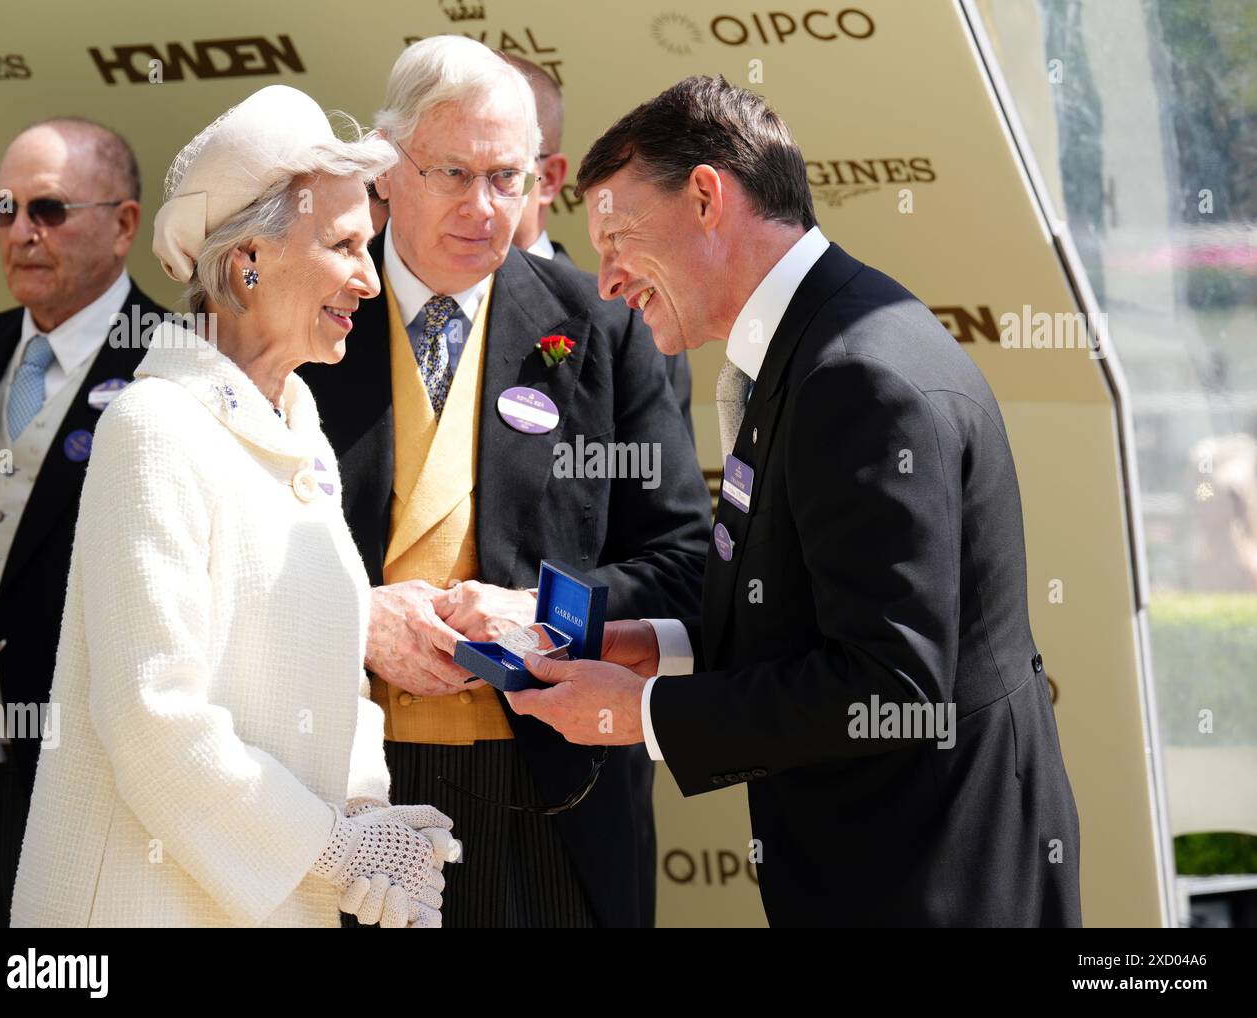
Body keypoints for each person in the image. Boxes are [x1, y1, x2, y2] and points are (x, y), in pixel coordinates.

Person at [508, 75, 1083, 928]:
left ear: (708, 197)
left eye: (620, 237)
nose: (607, 279)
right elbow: (812, 613)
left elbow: (891, 684)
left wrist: (646, 713)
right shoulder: (809, 344)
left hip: (935, 880)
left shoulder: (855, 373)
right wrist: (655, 647)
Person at [10, 85, 453, 928]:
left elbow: (333, 676)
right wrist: (331, 848)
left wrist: (366, 816)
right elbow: (152, 717)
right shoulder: (155, 427)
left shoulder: (300, 427)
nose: (369, 278)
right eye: (345, 245)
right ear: (248, 261)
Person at [299, 36, 710, 927]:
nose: (483, 208)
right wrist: (353, 616)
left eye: (507, 178)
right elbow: (221, 557)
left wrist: (545, 615)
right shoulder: (302, 321)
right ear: (386, 166)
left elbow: (684, 566)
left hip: (552, 794)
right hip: (336, 785)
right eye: (453, 173)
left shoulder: (604, 328)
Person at [0, 117, 165, 927]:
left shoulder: (175, 361)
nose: (20, 233)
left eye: (47, 210)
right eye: (3, 211)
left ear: (123, 224)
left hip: (91, 778)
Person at [500, 52, 692, 436]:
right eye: (451, 169)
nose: (471, 197)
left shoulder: (635, 319)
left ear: (548, 178)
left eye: (499, 170)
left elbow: (661, 487)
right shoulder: (373, 306)